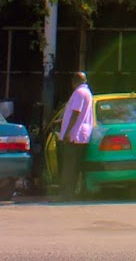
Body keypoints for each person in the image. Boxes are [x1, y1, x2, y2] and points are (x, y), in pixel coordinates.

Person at [58, 71, 94, 199]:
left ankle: (67, 194)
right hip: (82, 135)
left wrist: (67, 132)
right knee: (76, 166)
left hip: (74, 135)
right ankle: (74, 192)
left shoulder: (78, 93)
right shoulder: (88, 92)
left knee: (69, 167)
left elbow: (76, 113)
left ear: (74, 81)